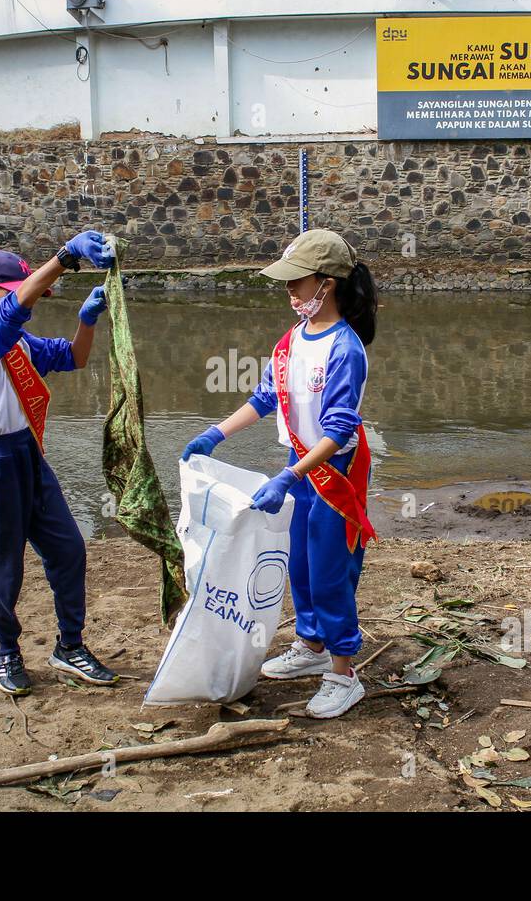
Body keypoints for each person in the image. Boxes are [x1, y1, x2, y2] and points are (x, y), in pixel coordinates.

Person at [181, 229, 378, 718]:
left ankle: (344, 672)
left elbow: (337, 429)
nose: (289, 292)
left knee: (331, 573)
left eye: (297, 282)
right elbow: (265, 398)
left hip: (333, 473)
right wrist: (215, 433)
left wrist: (290, 477)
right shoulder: (290, 342)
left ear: (327, 284)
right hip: (300, 467)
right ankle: (311, 649)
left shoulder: (345, 349)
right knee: (301, 567)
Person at [0, 232, 118, 696]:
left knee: (68, 550)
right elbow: (12, 312)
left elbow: (76, 358)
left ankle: (70, 646)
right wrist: (64, 257)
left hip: (28, 455)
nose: (27, 304)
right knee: (3, 565)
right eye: (11, 293)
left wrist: (87, 321)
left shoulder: (21, 343)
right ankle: (6, 651)